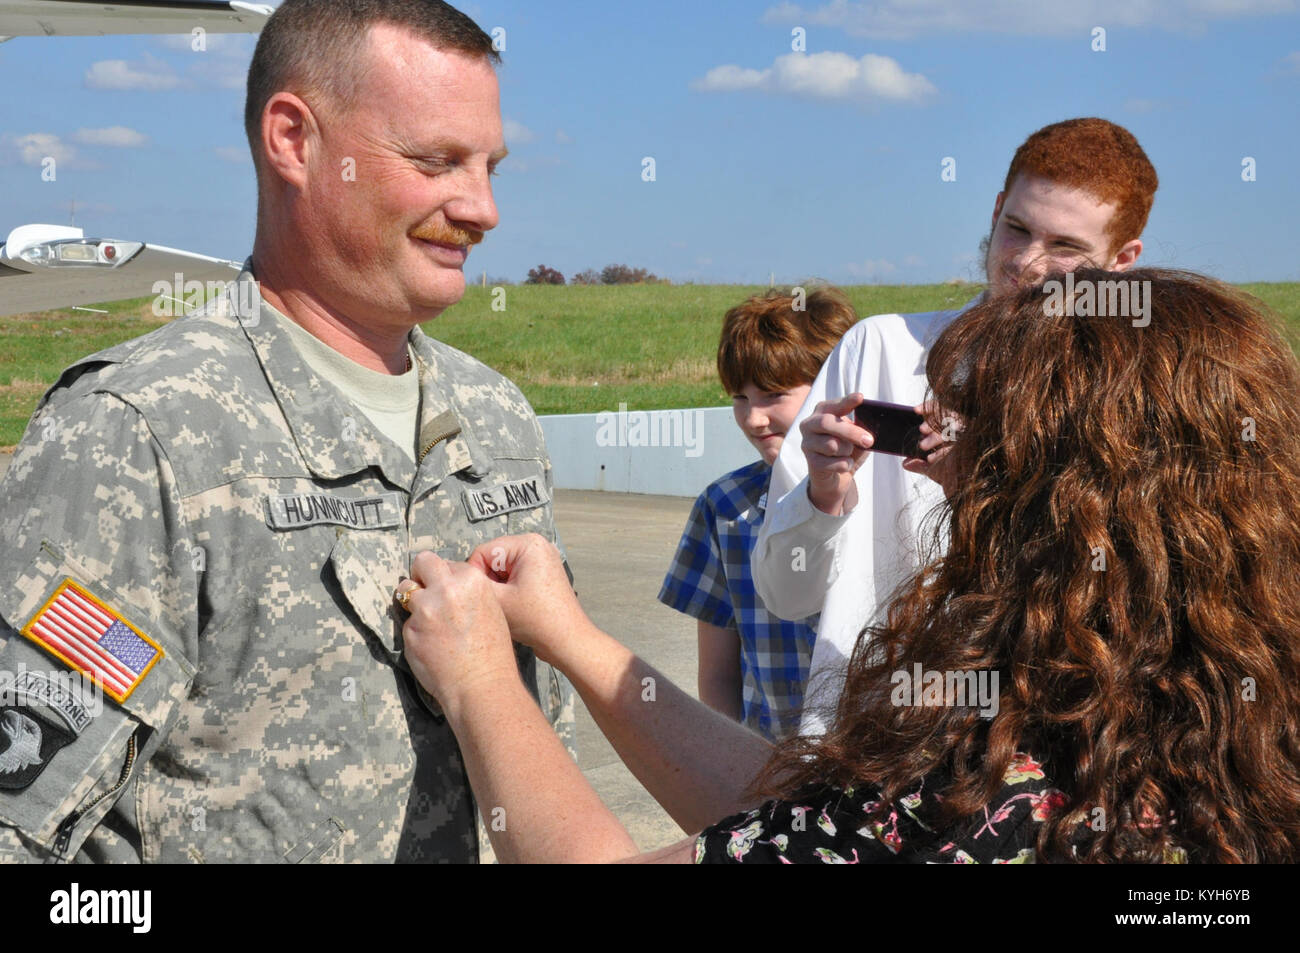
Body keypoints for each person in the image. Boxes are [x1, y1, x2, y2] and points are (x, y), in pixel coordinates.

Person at [398, 269, 1300, 863]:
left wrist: (481, 680)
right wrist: (571, 639)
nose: (926, 458)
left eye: (968, 432)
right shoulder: (1192, 723)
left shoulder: (1013, 786)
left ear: (1066, 496)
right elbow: (807, 819)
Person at [0, 0, 572, 863]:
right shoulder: (140, 432)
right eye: (436, 161)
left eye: (490, 166)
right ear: (294, 141)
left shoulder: (498, 421)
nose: (483, 208)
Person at [750, 118, 1160, 735]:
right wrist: (821, 496)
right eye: (1015, 229)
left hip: (1060, 766)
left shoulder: (1145, 399)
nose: (1025, 264)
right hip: (870, 761)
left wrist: (979, 495)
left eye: (1066, 248)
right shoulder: (883, 352)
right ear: (994, 211)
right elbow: (786, 595)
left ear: (1123, 261)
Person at [659, 288, 859, 740]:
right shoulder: (724, 506)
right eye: (739, 398)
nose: (753, 419)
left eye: (772, 395)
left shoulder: (899, 492)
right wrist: (735, 768)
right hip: (773, 772)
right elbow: (717, 674)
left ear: (836, 389)